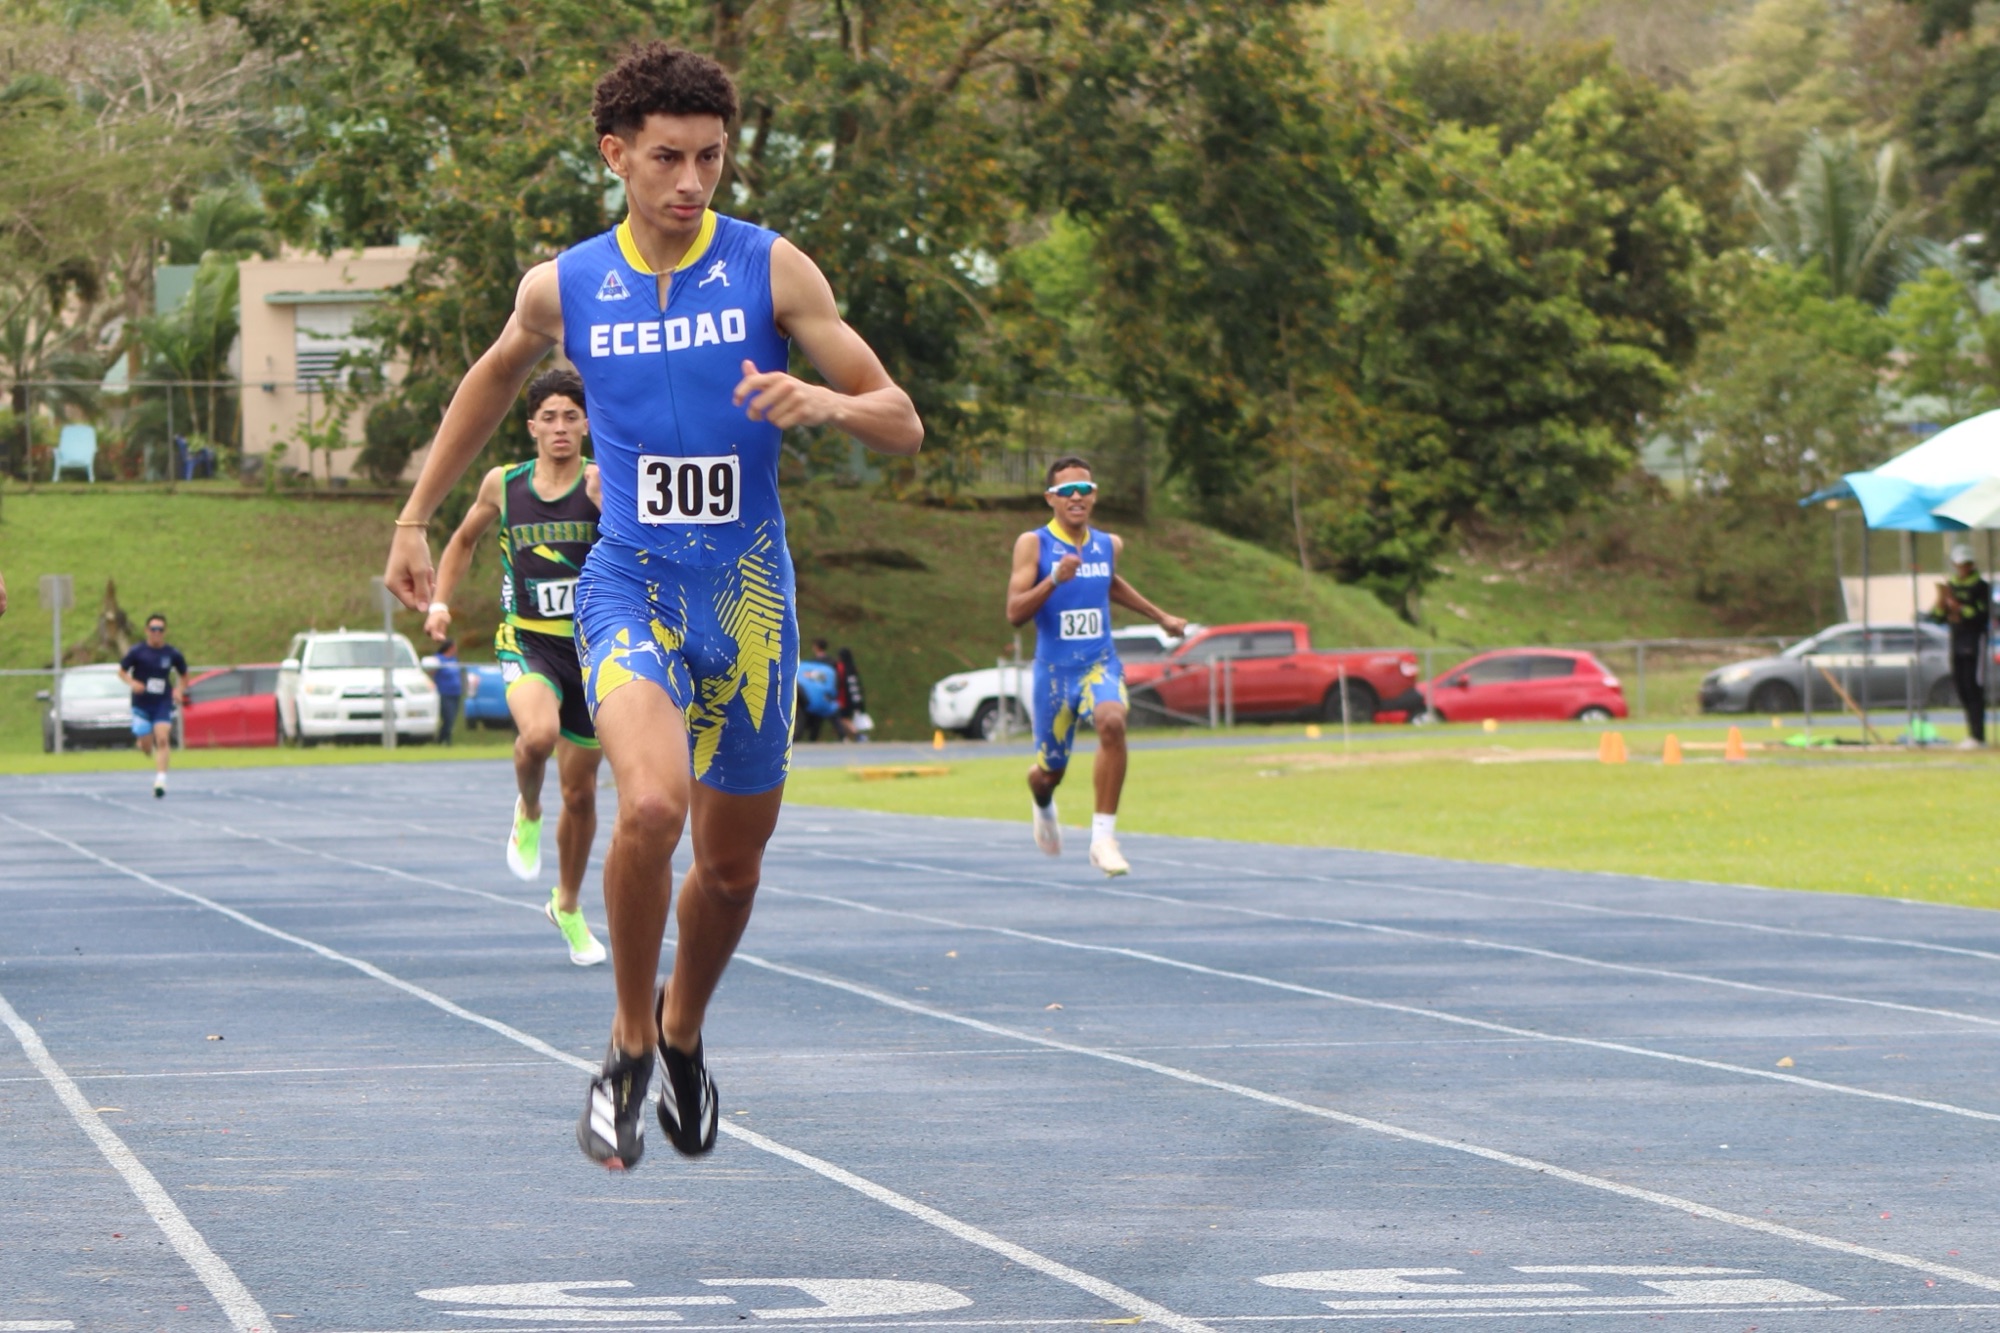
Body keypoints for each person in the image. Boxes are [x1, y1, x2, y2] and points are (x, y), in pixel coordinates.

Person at [383, 44, 922, 1171]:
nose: (691, 182)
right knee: (649, 811)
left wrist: (822, 400)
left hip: (749, 598)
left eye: (711, 158)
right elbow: (489, 379)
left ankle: (681, 1033)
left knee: (729, 870)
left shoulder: (773, 271)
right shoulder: (566, 285)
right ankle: (626, 1042)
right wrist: (414, 517)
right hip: (625, 583)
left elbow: (899, 420)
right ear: (614, 154)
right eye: (667, 158)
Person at [425, 367, 608, 968]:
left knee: (580, 796)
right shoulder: (504, 485)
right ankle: (527, 810)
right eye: (549, 417)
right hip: (528, 642)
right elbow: (461, 540)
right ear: (532, 426)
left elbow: (644, 548)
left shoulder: (604, 483)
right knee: (538, 736)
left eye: (571, 417)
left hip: (591, 651)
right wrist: (441, 601)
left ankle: (569, 904)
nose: (560, 427)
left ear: (587, 424)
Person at [1005, 457, 1186, 876]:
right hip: (1054, 676)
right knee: (1049, 773)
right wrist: (1053, 580)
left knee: (1112, 721)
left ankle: (1103, 837)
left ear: (1095, 495)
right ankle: (1042, 799)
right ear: (1050, 498)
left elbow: (1110, 582)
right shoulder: (1033, 544)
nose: (1077, 498)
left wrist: (1161, 616)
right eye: (1067, 492)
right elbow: (1014, 613)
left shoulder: (1108, 544)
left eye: (1084, 490)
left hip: (1098, 665)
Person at [118, 613, 188, 798]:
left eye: (160, 630)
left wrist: (179, 691)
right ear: (146, 631)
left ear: (164, 632)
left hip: (162, 702)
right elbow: (122, 672)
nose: (156, 633)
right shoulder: (137, 652)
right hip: (141, 703)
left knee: (163, 739)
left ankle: (161, 780)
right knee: (147, 746)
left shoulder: (172, 653)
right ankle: (142, 743)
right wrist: (133, 683)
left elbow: (184, 675)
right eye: (153, 629)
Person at [1932, 542, 1992, 749]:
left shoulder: (1981, 587)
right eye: (1960, 564)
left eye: (1966, 564)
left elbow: (1982, 615)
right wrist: (1942, 601)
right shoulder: (1952, 587)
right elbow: (1938, 617)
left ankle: (1978, 735)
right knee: (1962, 687)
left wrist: (1960, 608)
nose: (1963, 568)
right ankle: (1971, 734)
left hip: (1975, 642)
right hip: (1957, 642)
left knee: (1974, 687)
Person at [794, 638, 838, 742]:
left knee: (806, 715)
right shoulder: (831, 662)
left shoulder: (812, 663)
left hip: (809, 694)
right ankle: (813, 737)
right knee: (822, 715)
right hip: (822, 695)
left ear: (816, 647)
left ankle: (803, 737)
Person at [432, 637, 465, 746]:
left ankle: (442, 740)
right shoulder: (438, 659)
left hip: (456, 693)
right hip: (444, 693)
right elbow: (431, 672)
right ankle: (444, 741)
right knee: (448, 718)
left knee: (453, 718)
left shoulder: (454, 660)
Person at [833, 645, 868, 741]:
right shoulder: (852, 667)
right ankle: (845, 736)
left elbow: (839, 682)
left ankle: (856, 735)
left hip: (843, 697)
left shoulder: (841, 667)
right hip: (852, 698)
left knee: (842, 718)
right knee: (843, 718)